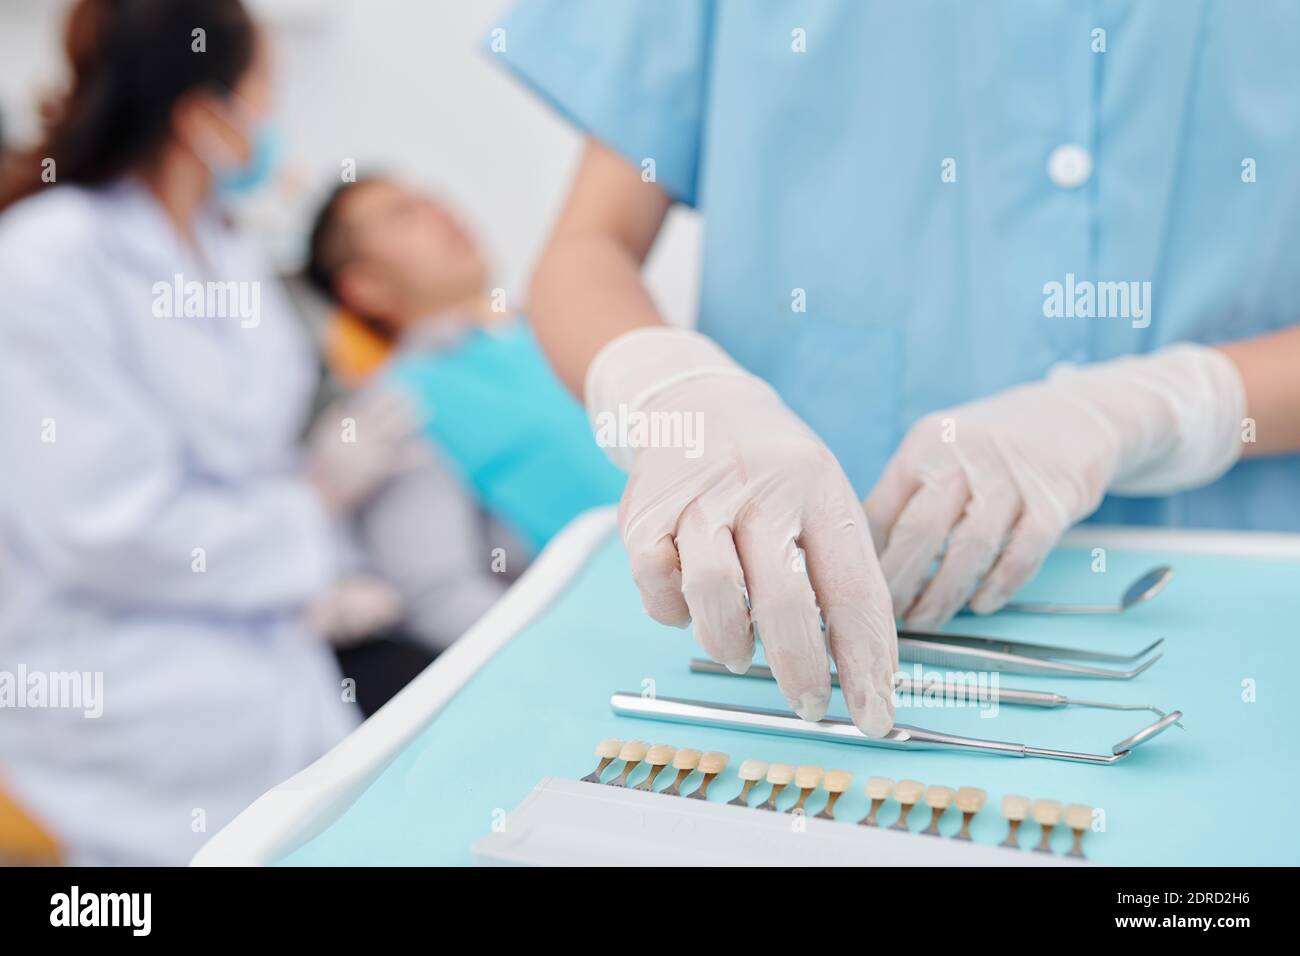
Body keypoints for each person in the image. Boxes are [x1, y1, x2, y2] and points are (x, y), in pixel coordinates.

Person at [491, 0, 1300, 737]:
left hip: (1240, 621)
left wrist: (1172, 405)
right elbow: (585, 249)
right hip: (795, 614)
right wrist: (670, 388)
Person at [0, 0, 417, 864]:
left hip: (255, 637)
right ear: (203, 116)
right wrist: (308, 516)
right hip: (122, 677)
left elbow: (245, 455)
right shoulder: (45, 261)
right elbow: (105, 528)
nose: (271, 124)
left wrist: (311, 543)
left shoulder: (221, 250)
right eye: (262, 97)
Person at [304, 176, 625, 646]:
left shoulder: (557, 329)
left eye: (428, 198)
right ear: (365, 287)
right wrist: (580, 649)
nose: (440, 211)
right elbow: (439, 595)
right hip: (622, 634)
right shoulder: (396, 410)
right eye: (402, 214)